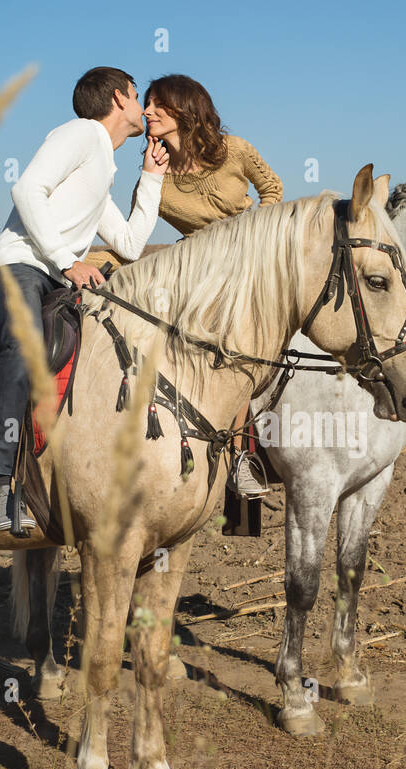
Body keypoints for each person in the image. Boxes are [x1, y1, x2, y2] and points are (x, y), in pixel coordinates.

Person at [0, 67, 169, 532]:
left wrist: (152, 179)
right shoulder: (81, 134)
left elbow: (128, 244)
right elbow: (26, 189)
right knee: (24, 344)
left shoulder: (101, 167)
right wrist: (66, 262)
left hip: (54, 278)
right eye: (138, 96)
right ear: (120, 97)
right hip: (16, 268)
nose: (145, 108)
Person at [86, 73, 283, 497]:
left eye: (159, 104)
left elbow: (273, 189)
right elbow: (130, 241)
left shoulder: (235, 151)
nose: (149, 111)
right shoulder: (155, 177)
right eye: (148, 103)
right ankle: (221, 459)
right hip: (202, 277)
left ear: (186, 109)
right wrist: (94, 263)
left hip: (250, 267)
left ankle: (253, 455)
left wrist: (256, 238)